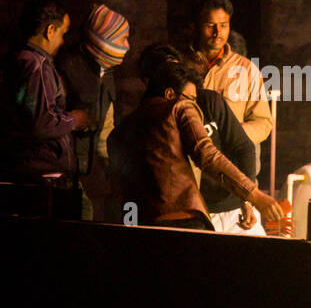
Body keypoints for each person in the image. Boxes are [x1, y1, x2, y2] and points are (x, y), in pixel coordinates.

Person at [108, 59, 283, 230]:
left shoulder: (121, 130)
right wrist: (255, 196)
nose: (195, 105)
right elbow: (207, 156)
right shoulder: (180, 108)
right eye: (191, 99)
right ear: (170, 94)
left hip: (139, 223)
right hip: (182, 220)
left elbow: (120, 186)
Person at [138, 42, 263, 234]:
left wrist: (247, 199)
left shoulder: (207, 101)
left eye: (178, 68)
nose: (176, 75)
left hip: (231, 208)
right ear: (149, 81)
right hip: (192, 216)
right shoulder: (144, 123)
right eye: (167, 72)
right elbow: (205, 155)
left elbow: (242, 147)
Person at [0, 0, 92, 186]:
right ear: (50, 30)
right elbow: (41, 121)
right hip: (40, 177)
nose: (62, 41)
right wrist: (74, 120)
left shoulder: (17, 60)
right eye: (63, 33)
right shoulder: (35, 65)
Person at [59, 4, 130, 219]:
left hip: (81, 172)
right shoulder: (65, 70)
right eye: (122, 39)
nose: (127, 46)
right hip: (59, 173)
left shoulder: (105, 72)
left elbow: (105, 126)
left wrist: (112, 166)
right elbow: (45, 120)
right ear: (103, 40)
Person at [187, 0, 273, 155]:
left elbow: (263, 123)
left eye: (223, 25)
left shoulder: (246, 70)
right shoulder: (179, 66)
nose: (217, 32)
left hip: (230, 163)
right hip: (190, 163)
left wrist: (231, 135)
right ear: (195, 26)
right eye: (210, 25)